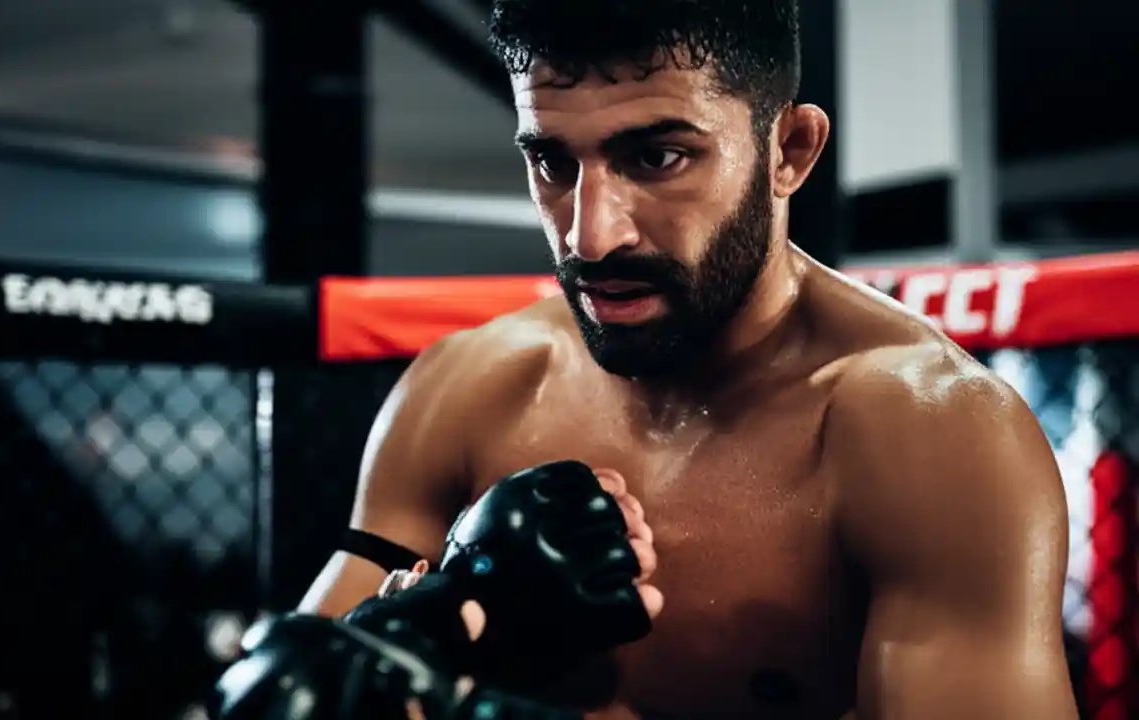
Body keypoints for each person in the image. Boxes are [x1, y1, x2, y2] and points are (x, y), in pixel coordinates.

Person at [298, 1, 1079, 718]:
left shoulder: (931, 436)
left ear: (789, 151)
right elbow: (289, 692)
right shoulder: (467, 390)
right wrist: (433, 623)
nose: (589, 237)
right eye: (552, 163)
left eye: (658, 158)